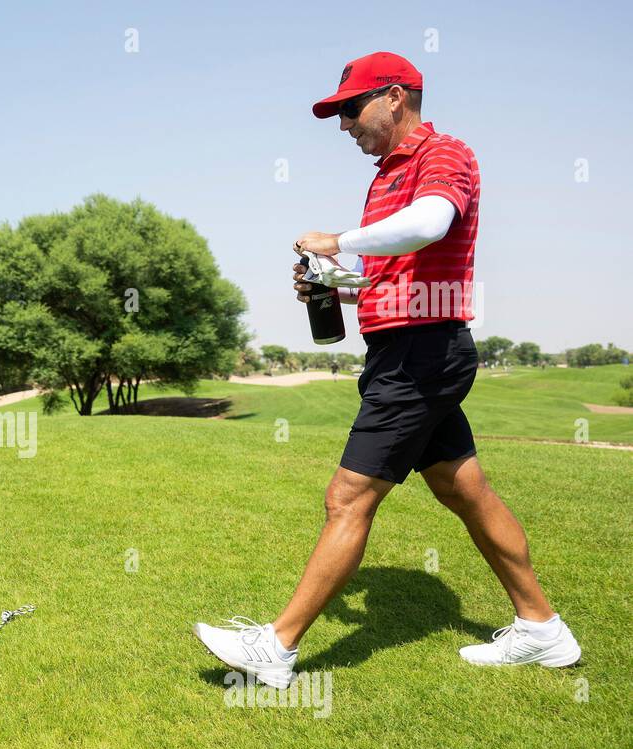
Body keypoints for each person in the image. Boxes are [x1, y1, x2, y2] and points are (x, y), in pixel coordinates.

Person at [195, 51, 580, 688]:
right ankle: (542, 629)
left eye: (350, 108)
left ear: (394, 97)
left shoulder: (444, 154)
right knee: (463, 489)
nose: (345, 125)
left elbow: (431, 223)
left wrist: (337, 241)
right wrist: (341, 288)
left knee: (348, 496)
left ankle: (277, 647)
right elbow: (398, 267)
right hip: (403, 349)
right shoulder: (383, 178)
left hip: (422, 356)